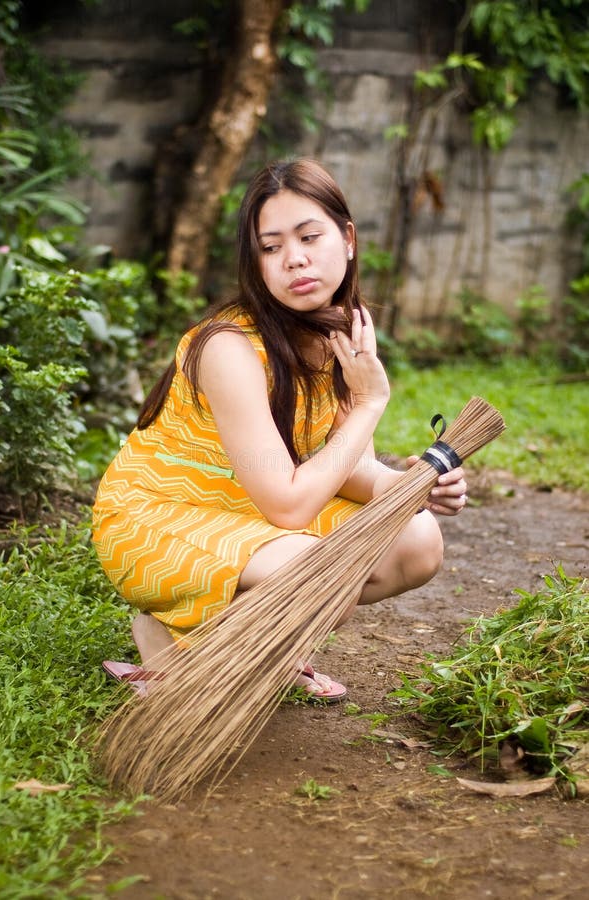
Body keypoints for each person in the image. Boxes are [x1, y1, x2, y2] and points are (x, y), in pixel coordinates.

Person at [93, 158, 467, 700]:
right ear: (256, 263)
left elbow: (340, 465)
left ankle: (250, 644)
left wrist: (409, 486)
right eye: (271, 248)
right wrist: (370, 402)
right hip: (155, 517)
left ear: (348, 239)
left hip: (249, 507)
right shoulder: (228, 347)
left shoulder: (339, 328)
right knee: (319, 571)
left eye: (310, 237)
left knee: (416, 542)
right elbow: (290, 507)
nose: (294, 259)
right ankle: (173, 636)